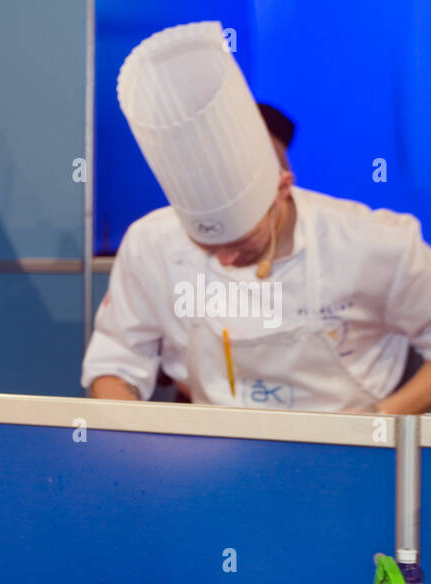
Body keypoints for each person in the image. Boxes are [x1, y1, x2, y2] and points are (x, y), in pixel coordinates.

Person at [83, 21, 431, 413]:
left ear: (284, 186)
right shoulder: (151, 243)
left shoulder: (378, 243)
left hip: (353, 453)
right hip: (213, 448)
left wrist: (378, 428)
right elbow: (116, 361)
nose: (226, 260)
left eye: (237, 241)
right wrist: (129, 433)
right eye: (206, 245)